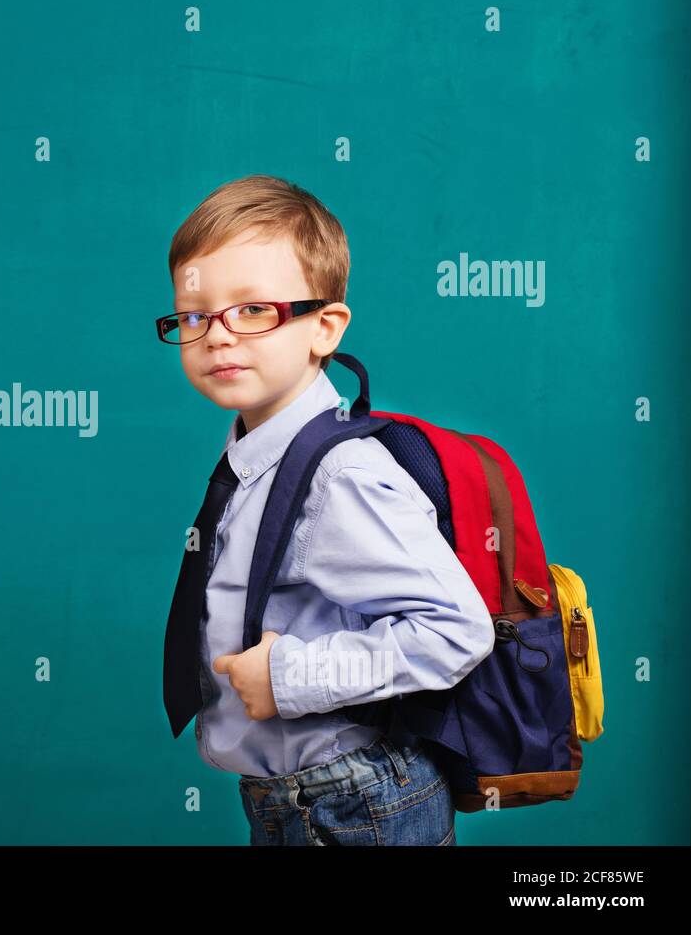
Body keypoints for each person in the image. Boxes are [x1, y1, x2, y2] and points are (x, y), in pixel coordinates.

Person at [159, 175, 495, 845]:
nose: (217, 336)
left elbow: (458, 632)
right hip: (301, 799)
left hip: (355, 803)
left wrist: (288, 677)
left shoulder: (339, 476)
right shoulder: (256, 456)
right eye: (195, 315)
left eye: (254, 310)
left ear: (324, 328)